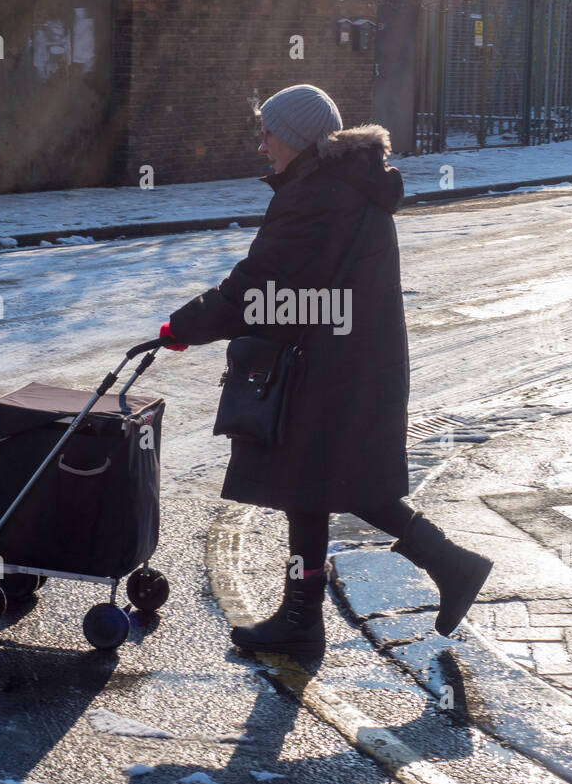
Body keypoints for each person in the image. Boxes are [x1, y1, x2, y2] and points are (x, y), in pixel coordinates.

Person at [159, 84, 492, 656]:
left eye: (267, 132)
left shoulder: (319, 194)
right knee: (310, 488)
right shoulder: (341, 184)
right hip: (342, 361)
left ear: (293, 137)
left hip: (330, 369)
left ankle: (446, 564)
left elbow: (261, 285)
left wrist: (186, 326)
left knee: (335, 483)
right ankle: (304, 616)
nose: (261, 144)